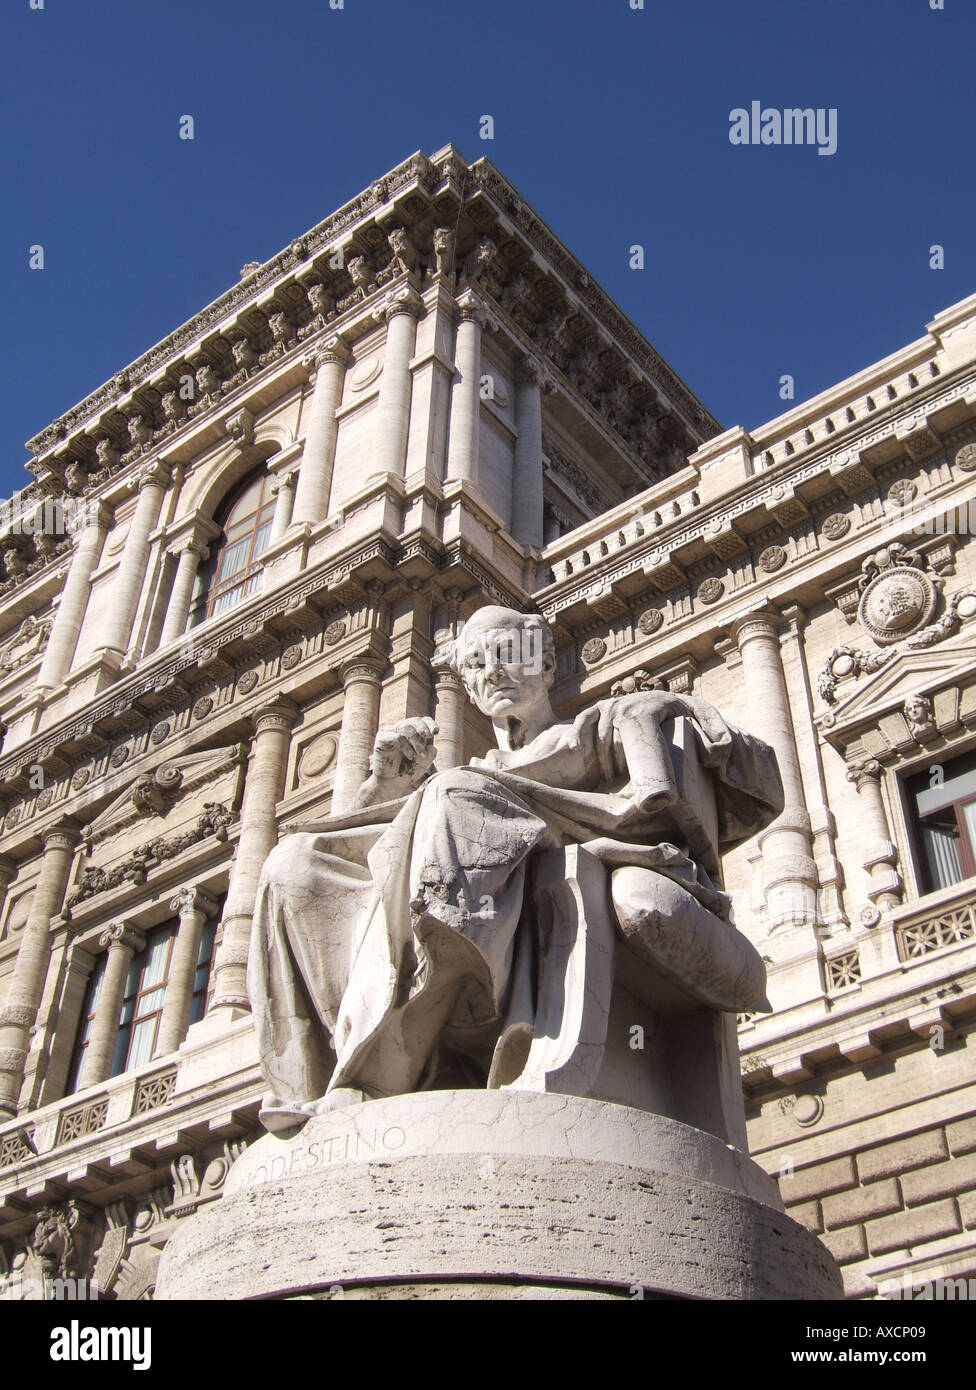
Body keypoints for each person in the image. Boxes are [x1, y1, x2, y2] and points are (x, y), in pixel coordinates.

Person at [247, 606, 782, 1131]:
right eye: (477, 664)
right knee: (294, 862)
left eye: (509, 654)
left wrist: (665, 705)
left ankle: (376, 1075)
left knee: (455, 796)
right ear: (470, 690)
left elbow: (750, 781)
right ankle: (313, 1078)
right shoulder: (471, 778)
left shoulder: (592, 730)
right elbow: (376, 840)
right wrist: (384, 788)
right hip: (472, 850)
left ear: (547, 665)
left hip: (556, 868)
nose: (493, 672)